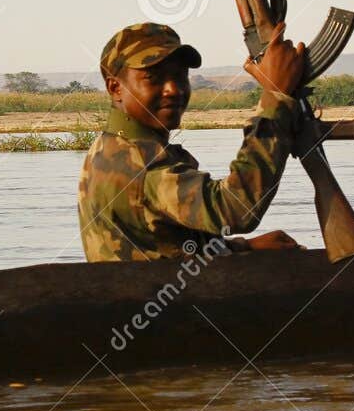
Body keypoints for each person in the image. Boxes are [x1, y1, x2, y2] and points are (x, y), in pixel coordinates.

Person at [77, 20, 307, 261]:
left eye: (180, 77)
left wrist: (241, 246)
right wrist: (275, 99)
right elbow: (236, 209)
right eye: (153, 78)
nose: (173, 89)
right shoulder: (144, 165)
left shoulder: (109, 146)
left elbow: (162, 240)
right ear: (115, 88)